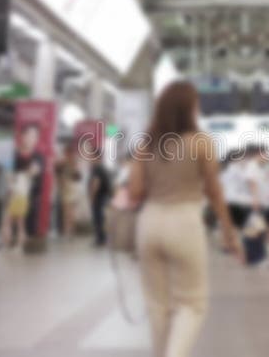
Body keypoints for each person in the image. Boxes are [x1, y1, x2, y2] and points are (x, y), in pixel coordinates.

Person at [128, 81, 240, 357]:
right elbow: (214, 191)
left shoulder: (146, 141)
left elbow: (134, 191)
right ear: (190, 108)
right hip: (185, 221)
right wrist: (228, 229)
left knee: (158, 306)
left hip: (150, 222)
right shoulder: (200, 141)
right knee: (192, 304)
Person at [15, 124, 45, 237]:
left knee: (30, 226)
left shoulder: (38, 156)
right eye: (30, 135)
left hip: (32, 197)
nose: (33, 139)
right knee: (13, 225)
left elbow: (34, 171)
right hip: (15, 196)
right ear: (22, 136)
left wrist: (21, 176)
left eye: (35, 136)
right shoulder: (14, 155)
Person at [58, 142, 84, 239]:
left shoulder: (70, 163)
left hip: (70, 188)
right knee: (69, 211)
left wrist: (62, 182)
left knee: (69, 211)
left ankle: (69, 231)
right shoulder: (67, 163)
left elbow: (78, 177)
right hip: (70, 188)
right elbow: (78, 177)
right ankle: (69, 231)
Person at [3, 160, 31, 248]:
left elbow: (11, 190)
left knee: (7, 222)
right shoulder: (26, 176)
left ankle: (7, 243)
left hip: (15, 199)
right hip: (24, 200)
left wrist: (8, 180)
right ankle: (20, 245)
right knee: (21, 224)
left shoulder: (15, 176)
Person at [89, 153, 112, 247]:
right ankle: (103, 238)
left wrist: (92, 197)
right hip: (103, 197)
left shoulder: (97, 168)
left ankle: (100, 239)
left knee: (98, 219)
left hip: (99, 198)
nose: (90, 160)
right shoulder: (102, 168)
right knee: (101, 219)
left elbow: (96, 183)